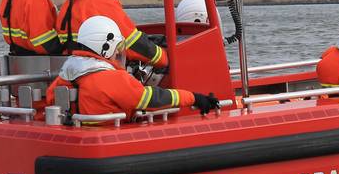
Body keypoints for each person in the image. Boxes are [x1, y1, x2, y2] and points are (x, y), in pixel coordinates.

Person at [46, 16, 219, 121]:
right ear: (105, 47)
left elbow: (49, 99)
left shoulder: (68, 71)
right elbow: (151, 98)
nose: (121, 54)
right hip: (109, 135)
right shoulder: (110, 78)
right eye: (118, 47)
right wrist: (194, 97)